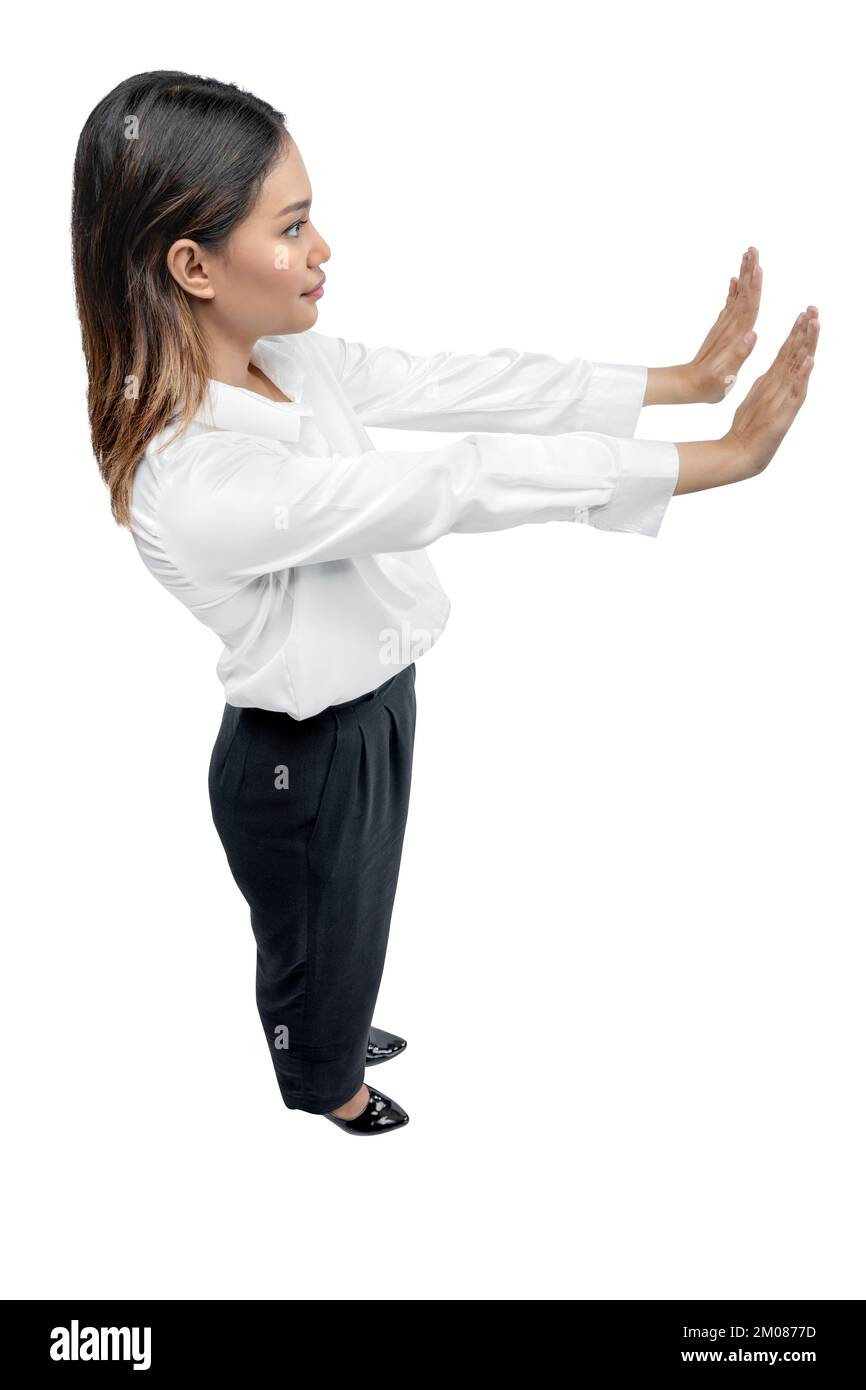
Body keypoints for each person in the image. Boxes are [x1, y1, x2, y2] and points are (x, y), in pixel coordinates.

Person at [71, 70, 819, 1136]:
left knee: (347, 917)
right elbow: (451, 481)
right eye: (291, 226)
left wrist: (678, 381)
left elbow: (460, 383)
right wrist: (720, 459)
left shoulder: (284, 360)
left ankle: (330, 1011)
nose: (322, 248)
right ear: (191, 264)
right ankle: (326, 1080)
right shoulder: (194, 478)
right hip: (300, 755)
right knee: (316, 927)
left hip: (370, 710)